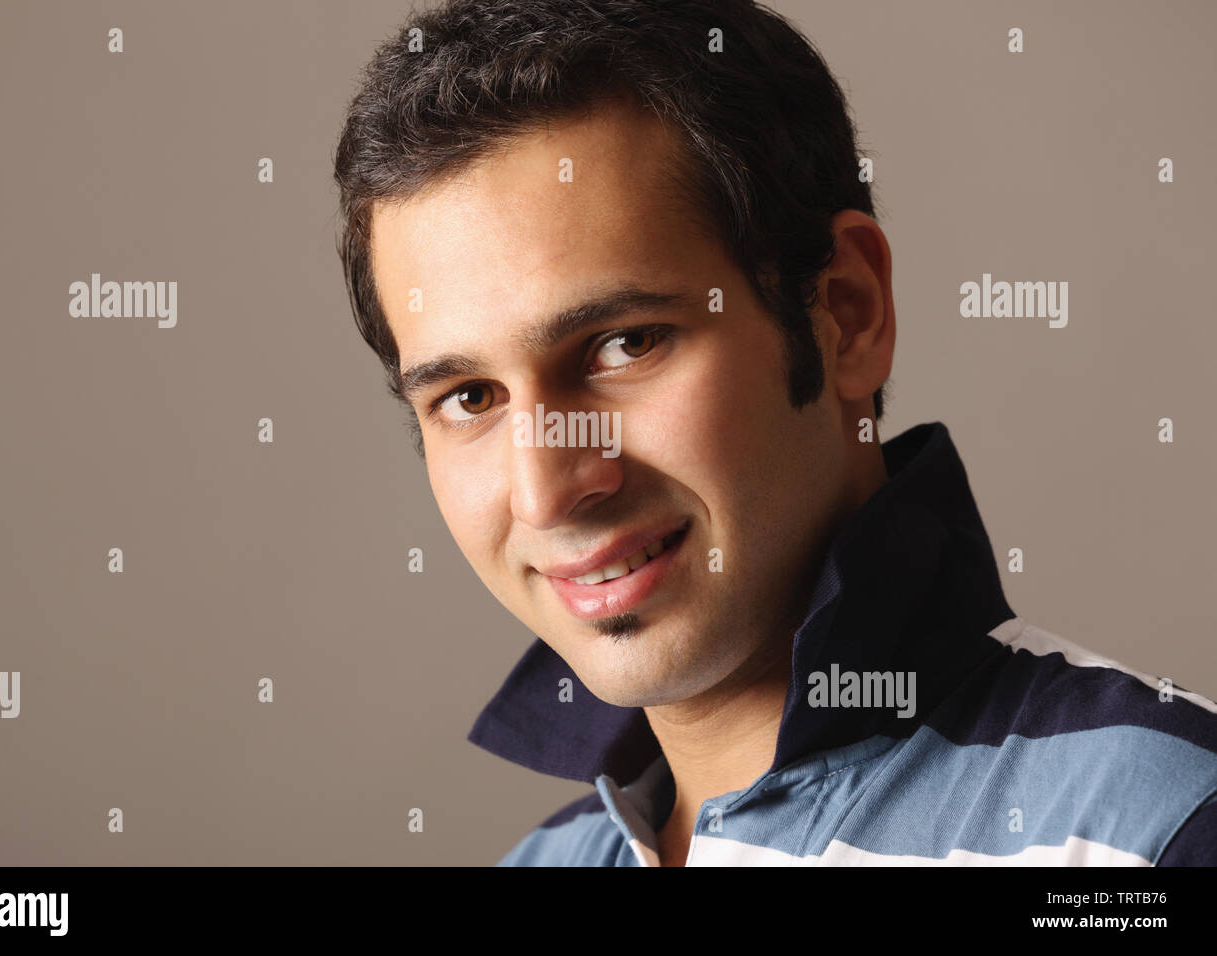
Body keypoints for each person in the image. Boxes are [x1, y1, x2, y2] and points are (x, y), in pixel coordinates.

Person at [332, 0, 1217, 865]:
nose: (547, 488)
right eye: (470, 397)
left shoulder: (1156, 832)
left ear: (847, 313)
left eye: (624, 343)